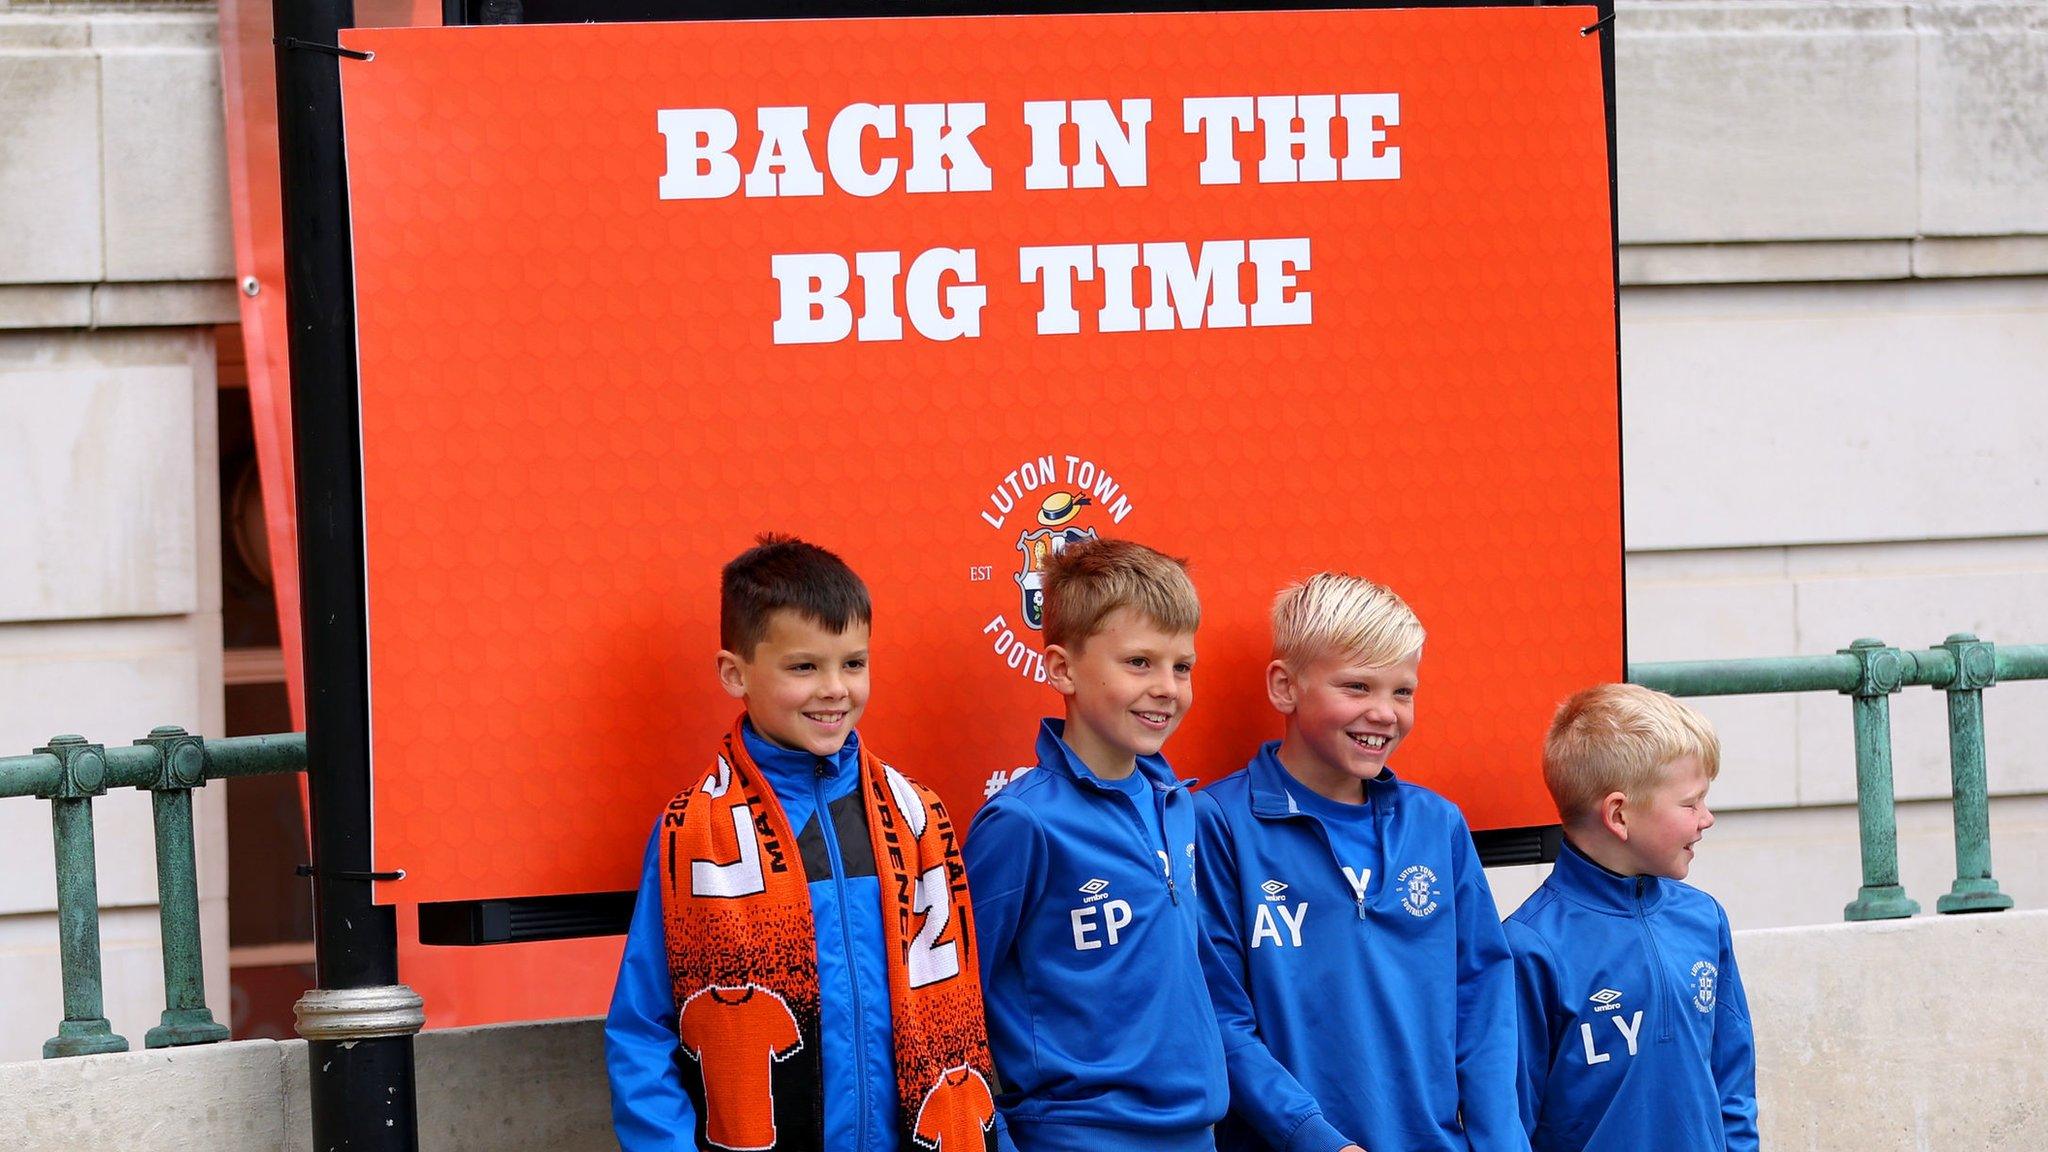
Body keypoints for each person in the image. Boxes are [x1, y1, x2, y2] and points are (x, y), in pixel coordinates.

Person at [606, 534, 1008, 1152]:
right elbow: (642, 1029)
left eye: (853, 663)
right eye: (804, 666)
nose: (835, 689)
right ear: (734, 674)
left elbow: (965, 1025)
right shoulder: (693, 832)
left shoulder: (917, 819)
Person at [1194, 573, 1528, 1152]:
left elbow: (1483, 1000)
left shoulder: (1437, 825)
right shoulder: (1218, 822)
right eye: (1356, 687)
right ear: (1284, 687)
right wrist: (1314, 1138)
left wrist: (1501, 1141)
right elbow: (1219, 1017)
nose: (1384, 713)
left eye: (1403, 692)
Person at [963, 537, 1228, 1152]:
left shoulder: (1178, 805)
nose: (1168, 687)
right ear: (1062, 669)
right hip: (1077, 1137)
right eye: (1139, 663)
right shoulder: (1021, 823)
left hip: (1196, 1134)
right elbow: (955, 1006)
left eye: (1182, 666)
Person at [1506, 683, 1758, 1152]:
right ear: (1619, 815)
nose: (1707, 818)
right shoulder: (1530, 947)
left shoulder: (1704, 919)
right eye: (1690, 803)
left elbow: (1732, 1081)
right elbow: (1511, 1121)